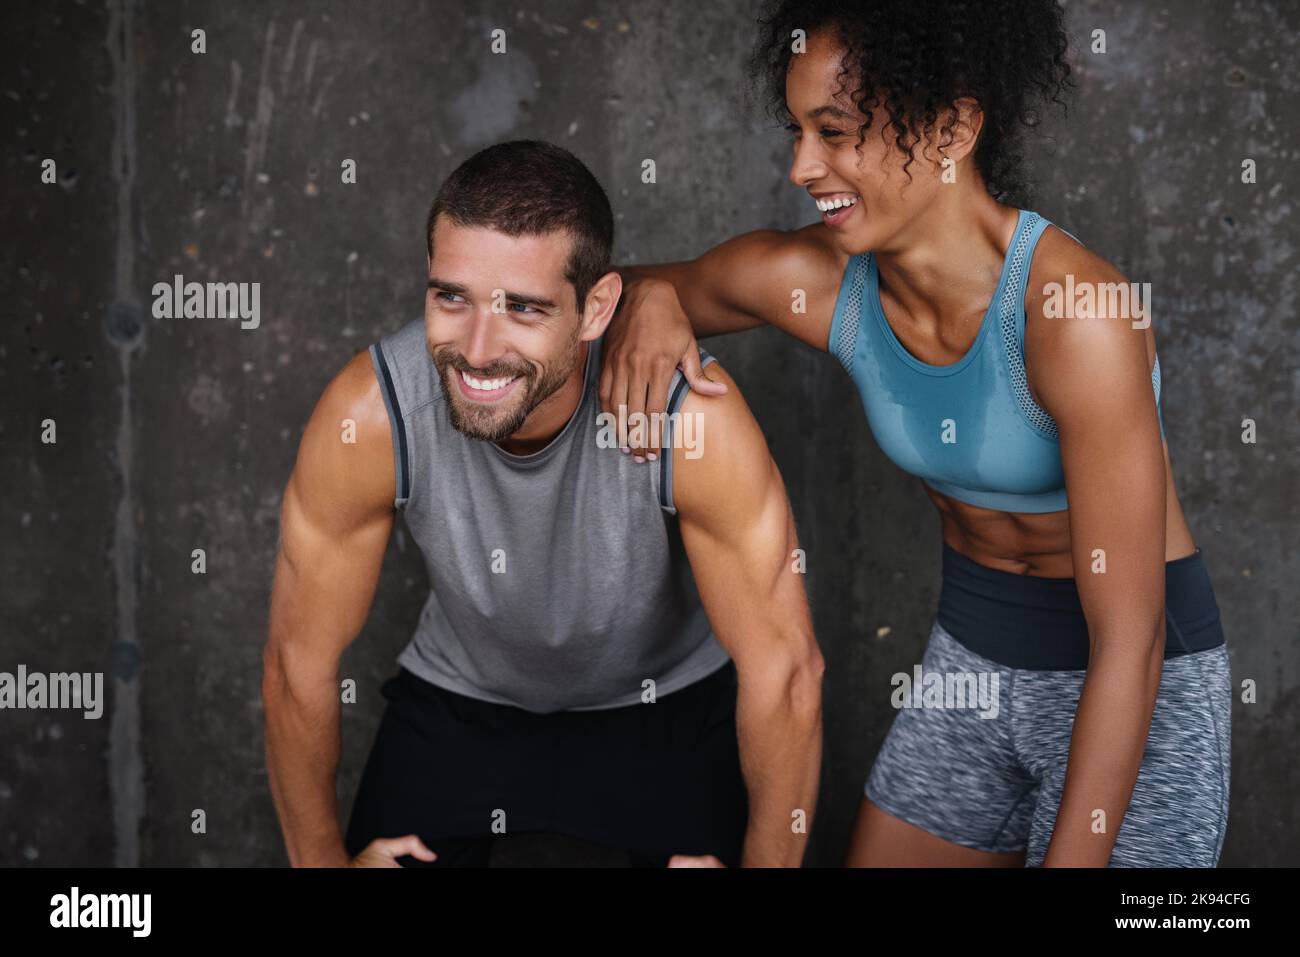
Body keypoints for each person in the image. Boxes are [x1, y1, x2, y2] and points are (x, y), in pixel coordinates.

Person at [600, 1, 1230, 867]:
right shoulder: (814, 283)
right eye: (796, 131)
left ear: (952, 129)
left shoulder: (1075, 315)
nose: (799, 165)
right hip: (974, 652)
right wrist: (658, 297)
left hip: (1135, 679)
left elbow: (1132, 637)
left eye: (834, 131)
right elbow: (588, 293)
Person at [262, 140, 824, 868]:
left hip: (661, 707)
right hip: (463, 701)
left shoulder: (693, 418)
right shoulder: (371, 414)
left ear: (596, 310)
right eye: (450, 297)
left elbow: (786, 671)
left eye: (523, 308)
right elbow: (296, 661)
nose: (477, 349)